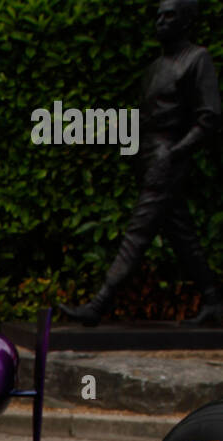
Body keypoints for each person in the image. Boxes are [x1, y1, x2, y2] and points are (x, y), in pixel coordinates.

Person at [62, 0, 222, 326]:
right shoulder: (153, 68)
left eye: (170, 15)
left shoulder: (197, 59)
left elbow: (210, 116)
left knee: (137, 233)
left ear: (186, 21)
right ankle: (214, 299)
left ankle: (99, 303)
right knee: (181, 234)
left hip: (168, 155)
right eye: (159, 16)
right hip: (150, 156)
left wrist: (176, 153)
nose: (161, 22)